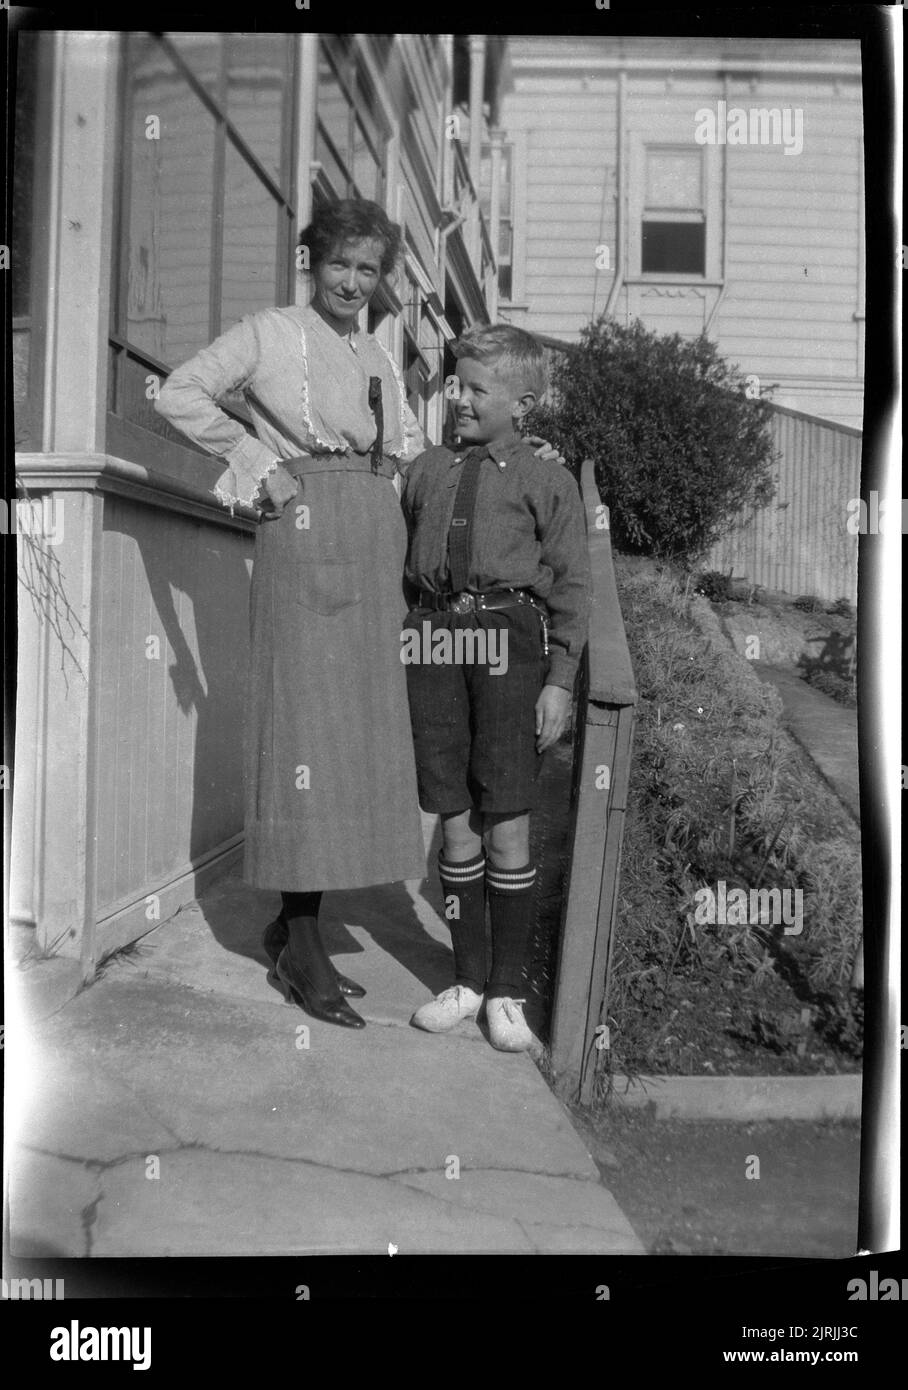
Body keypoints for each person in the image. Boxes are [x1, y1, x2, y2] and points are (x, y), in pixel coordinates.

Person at [154, 199, 563, 1031]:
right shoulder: (270, 331)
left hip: (380, 548)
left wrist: (517, 455)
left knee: (355, 741)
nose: (351, 281)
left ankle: (294, 925)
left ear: (384, 281)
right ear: (313, 263)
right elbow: (181, 392)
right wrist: (253, 460)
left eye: (368, 269)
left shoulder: (376, 352)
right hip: (305, 541)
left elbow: (416, 460)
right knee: (305, 731)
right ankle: (300, 940)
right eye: (339, 264)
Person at [401, 323, 592, 1051]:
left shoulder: (547, 479)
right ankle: (467, 979)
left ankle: (506, 994)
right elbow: (402, 563)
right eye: (457, 384)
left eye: (478, 388)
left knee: (506, 814)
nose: (460, 398)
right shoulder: (425, 470)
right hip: (434, 639)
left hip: (510, 640)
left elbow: (574, 586)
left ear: (524, 404)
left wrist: (562, 683)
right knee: (453, 815)